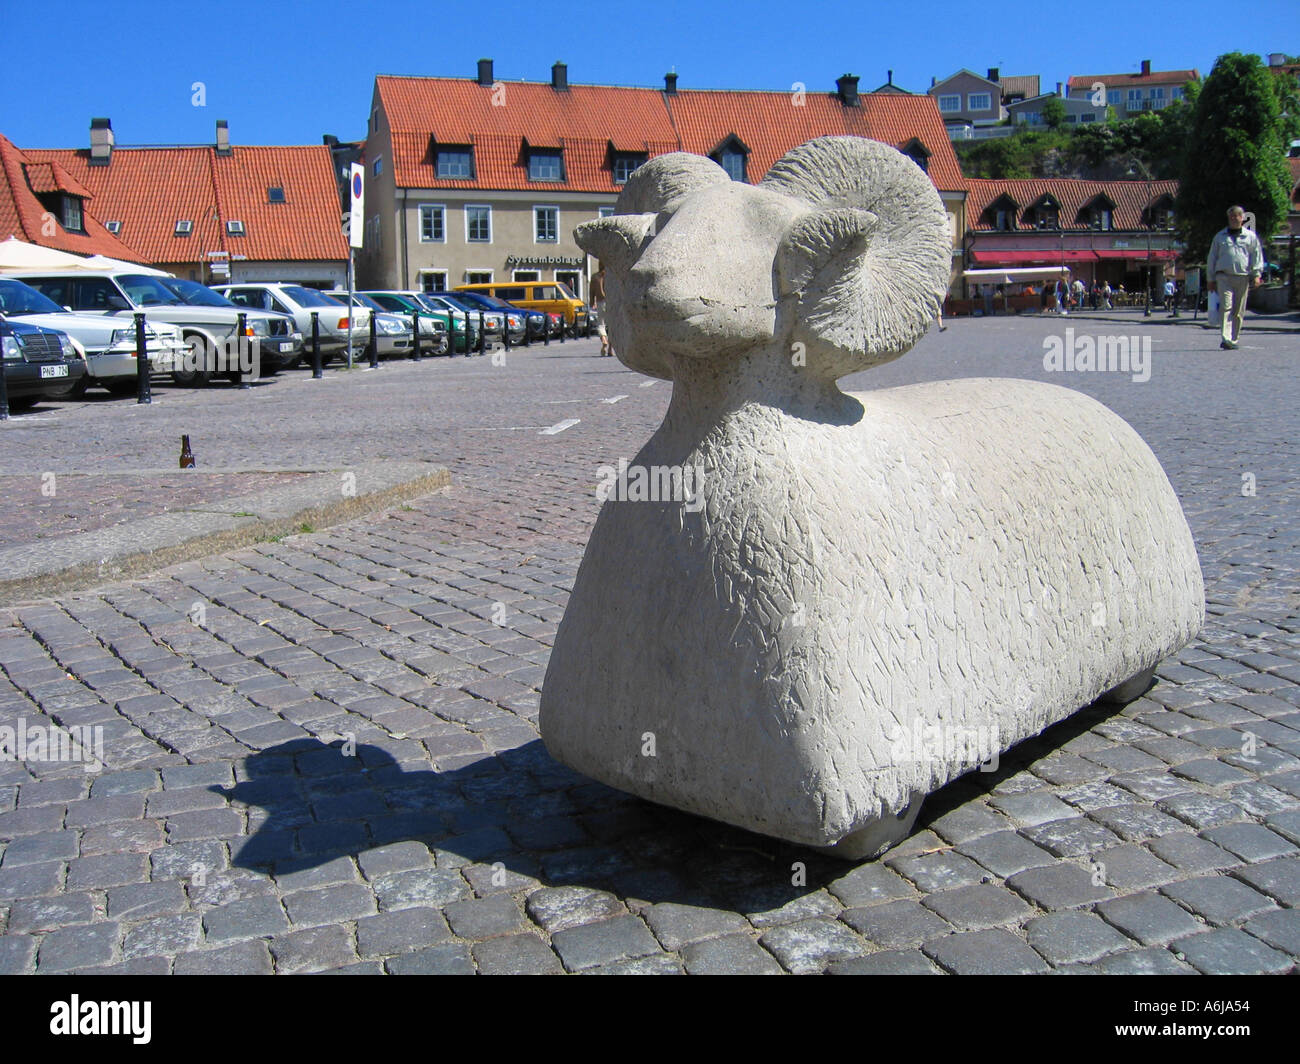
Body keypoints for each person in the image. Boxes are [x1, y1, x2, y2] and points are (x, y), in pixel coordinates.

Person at [1206, 205, 1264, 350]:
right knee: (1226, 306)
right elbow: (1212, 258)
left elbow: (1257, 256)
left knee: (1238, 310)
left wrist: (1257, 275)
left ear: (1242, 218)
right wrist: (1210, 279)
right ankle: (1225, 338)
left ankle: (1234, 338)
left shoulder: (1250, 237)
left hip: (1242, 276)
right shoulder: (1219, 237)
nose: (1234, 218)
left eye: (1237, 215)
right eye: (1231, 216)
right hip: (1223, 276)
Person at [591, 265, 613, 356]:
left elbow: (591, 291)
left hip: (600, 302)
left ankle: (604, 340)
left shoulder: (595, 277)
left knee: (601, 324)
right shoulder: (611, 276)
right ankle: (610, 349)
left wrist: (592, 302)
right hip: (611, 302)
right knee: (612, 326)